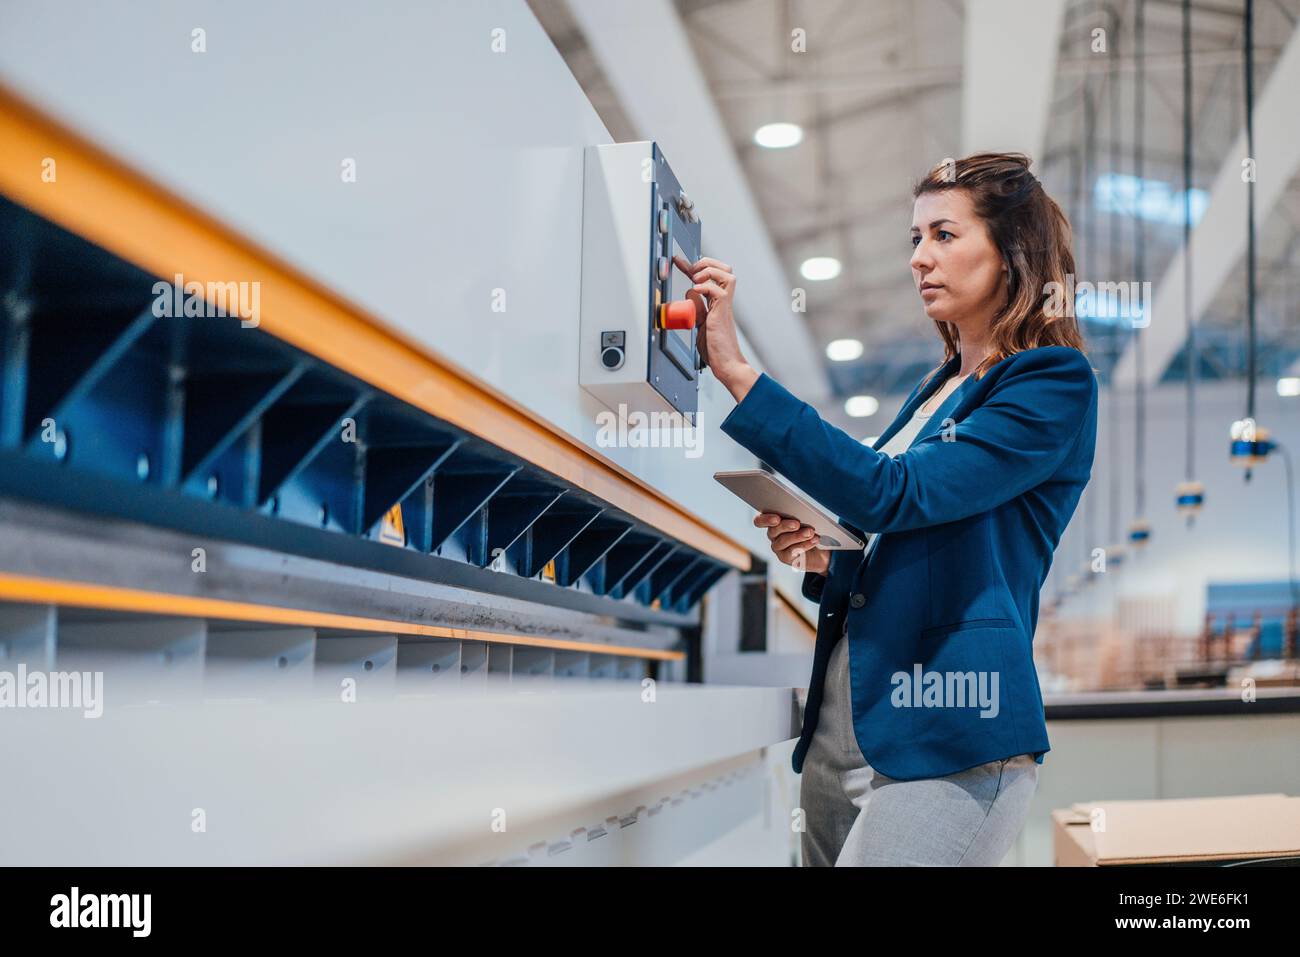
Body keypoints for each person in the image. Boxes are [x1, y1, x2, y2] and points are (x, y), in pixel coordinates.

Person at [676, 152, 1098, 866]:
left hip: (948, 732)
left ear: (1012, 253)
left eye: (944, 235)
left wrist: (739, 374)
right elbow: (895, 527)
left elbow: (894, 492)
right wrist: (827, 551)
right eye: (914, 239)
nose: (919, 258)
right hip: (847, 722)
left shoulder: (1050, 382)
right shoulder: (934, 390)